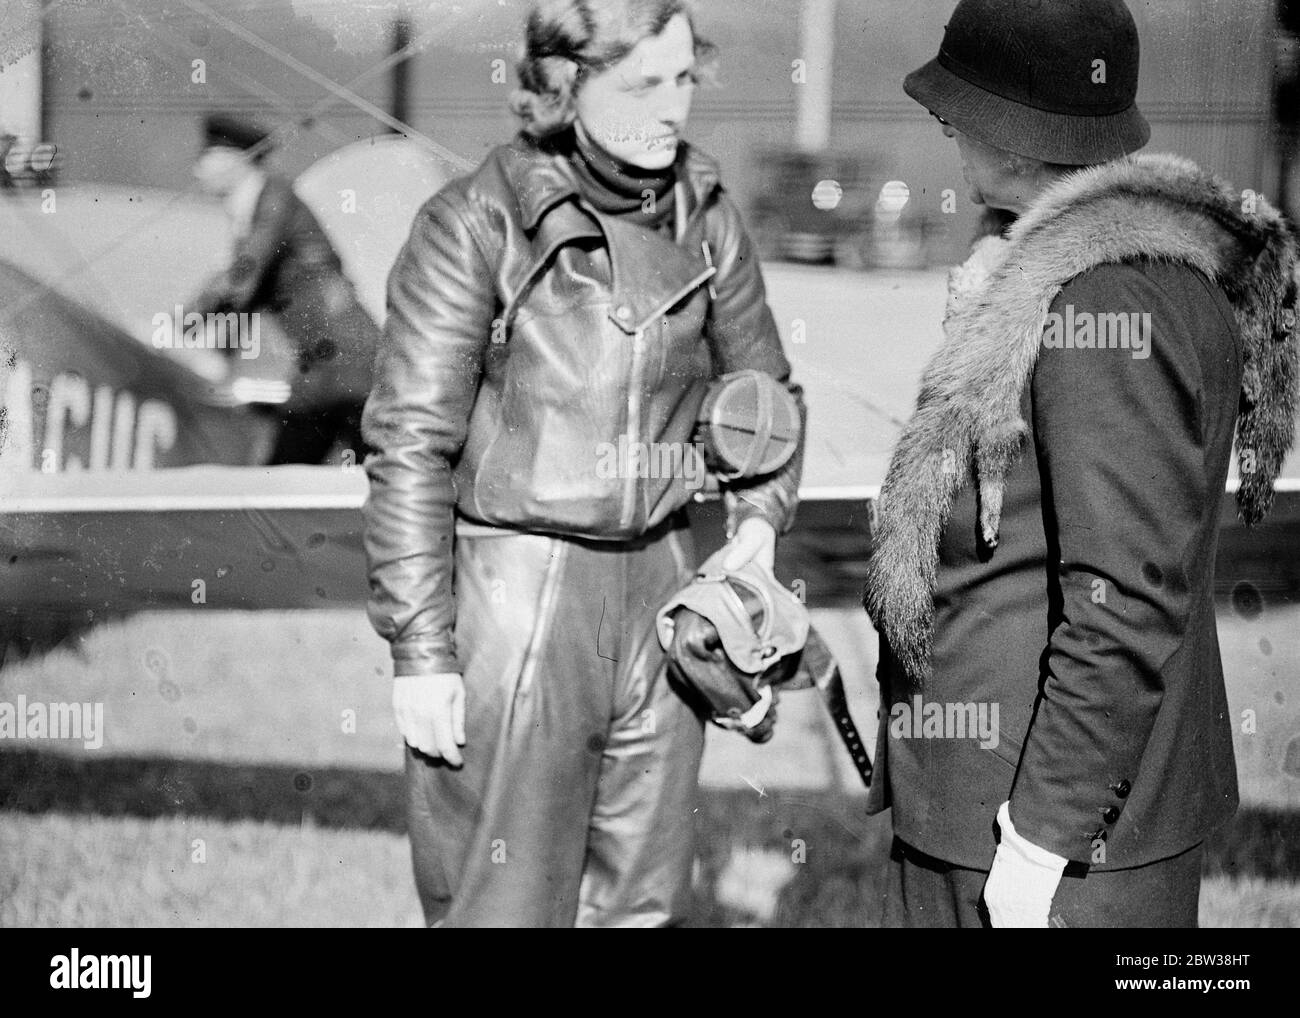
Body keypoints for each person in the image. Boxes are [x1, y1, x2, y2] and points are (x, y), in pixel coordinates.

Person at [361, 0, 804, 927]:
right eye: (643, 82)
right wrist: (420, 651)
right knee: (502, 904)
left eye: (685, 78)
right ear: (565, 85)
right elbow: (408, 444)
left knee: (639, 906)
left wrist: (757, 529)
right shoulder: (474, 222)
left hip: (666, 598)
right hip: (514, 600)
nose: (673, 107)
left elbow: (769, 397)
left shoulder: (707, 214)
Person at [862, 0, 1299, 928]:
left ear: (1018, 140)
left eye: (956, 110)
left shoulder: (1104, 306)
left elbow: (1124, 599)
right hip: (1017, 809)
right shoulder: (1106, 276)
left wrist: (1039, 840)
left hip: (1047, 843)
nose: (942, 127)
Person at [191, 112, 379, 464]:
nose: (197, 170)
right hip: (333, 368)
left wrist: (180, 328)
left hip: (343, 368)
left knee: (287, 478)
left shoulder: (274, 200)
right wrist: (217, 352)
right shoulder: (255, 213)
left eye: (207, 158)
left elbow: (241, 280)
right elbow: (246, 298)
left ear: (237, 160)